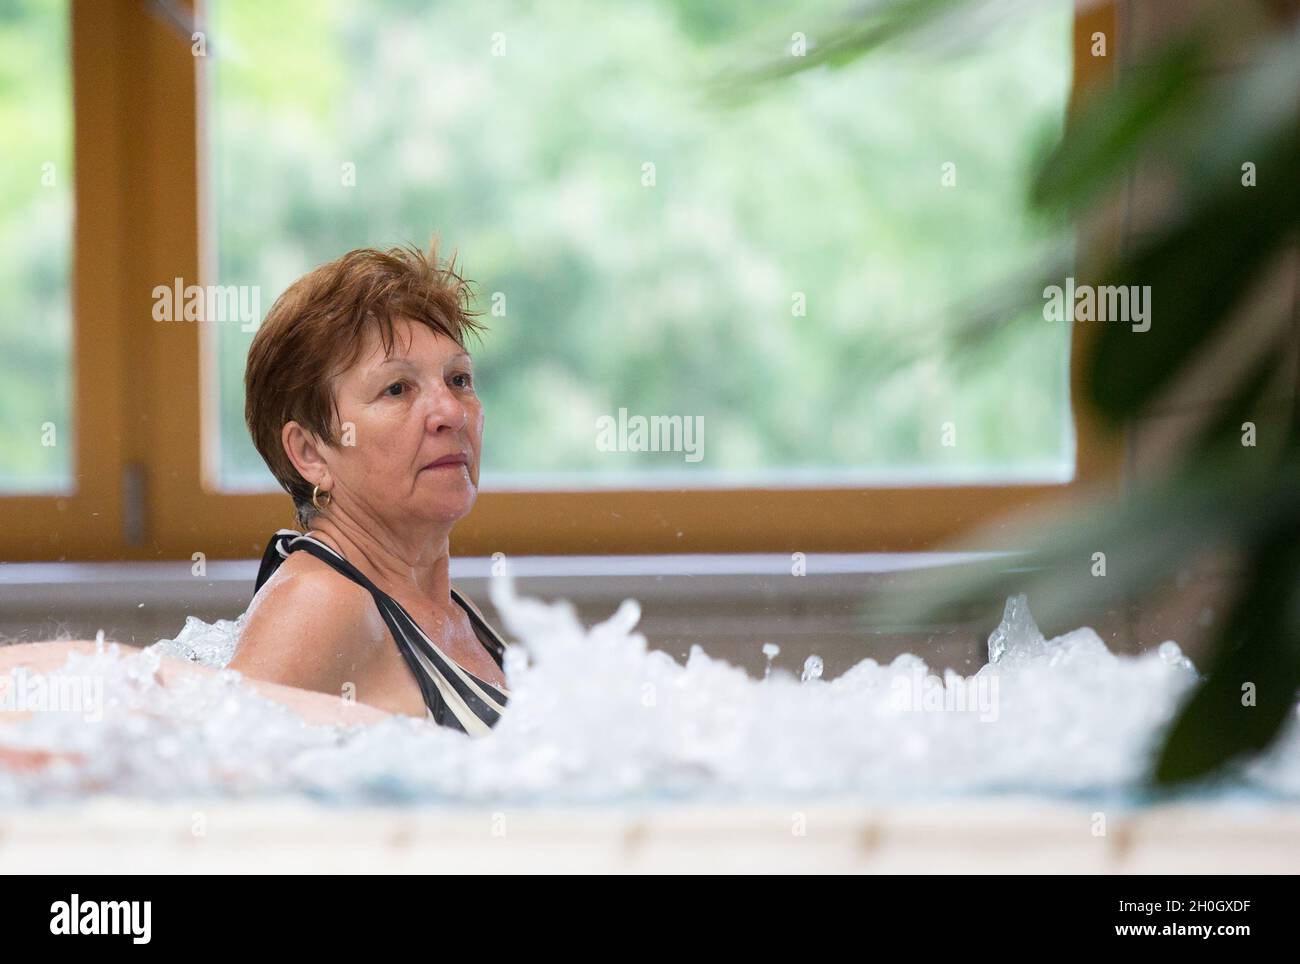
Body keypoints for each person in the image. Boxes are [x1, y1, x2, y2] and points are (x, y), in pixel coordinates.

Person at [231, 242, 512, 735]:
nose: (450, 413)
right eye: (397, 389)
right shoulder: (318, 602)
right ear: (311, 454)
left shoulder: (448, 610)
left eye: (459, 379)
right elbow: (213, 787)